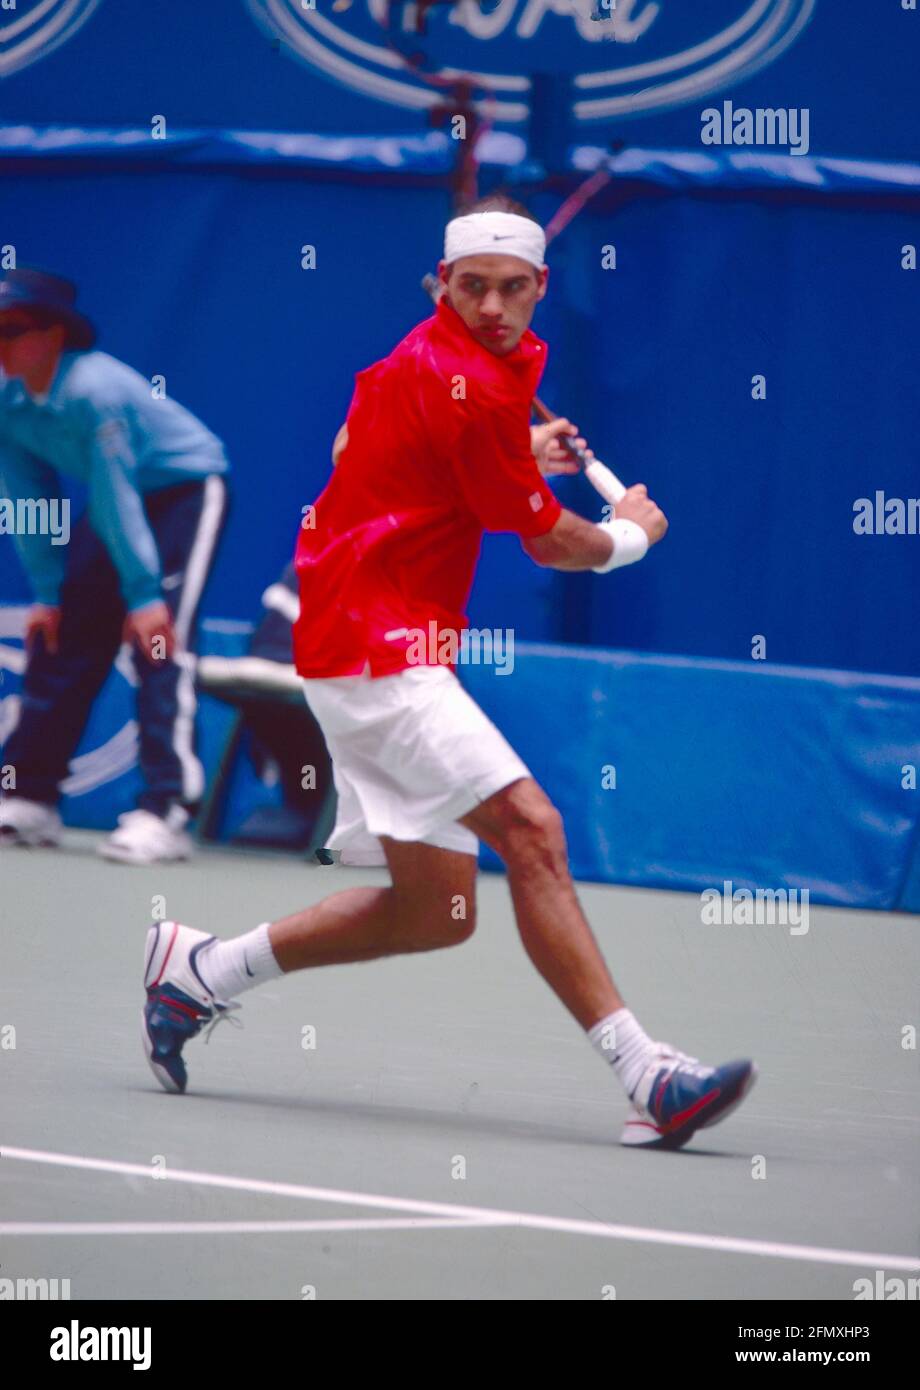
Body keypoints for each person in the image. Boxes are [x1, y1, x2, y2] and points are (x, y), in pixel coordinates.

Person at [142, 198, 756, 1148]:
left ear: (541, 288)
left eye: (513, 290)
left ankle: (200, 972)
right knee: (533, 830)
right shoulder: (456, 372)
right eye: (473, 288)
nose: (494, 307)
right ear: (446, 285)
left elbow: (369, 451)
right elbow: (552, 543)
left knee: (437, 914)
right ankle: (649, 1075)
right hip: (377, 644)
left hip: (369, 641)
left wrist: (516, 452)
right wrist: (631, 533)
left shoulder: (430, 366)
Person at [0, 269, 229, 864]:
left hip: (183, 491)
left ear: (54, 335)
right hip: (116, 504)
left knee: (159, 642)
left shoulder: (94, 390)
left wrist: (145, 596)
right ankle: (29, 796)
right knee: (60, 635)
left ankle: (167, 811)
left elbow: (115, 488)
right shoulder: (9, 403)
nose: (0, 344)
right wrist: (48, 592)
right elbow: (29, 500)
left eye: (12, 329)